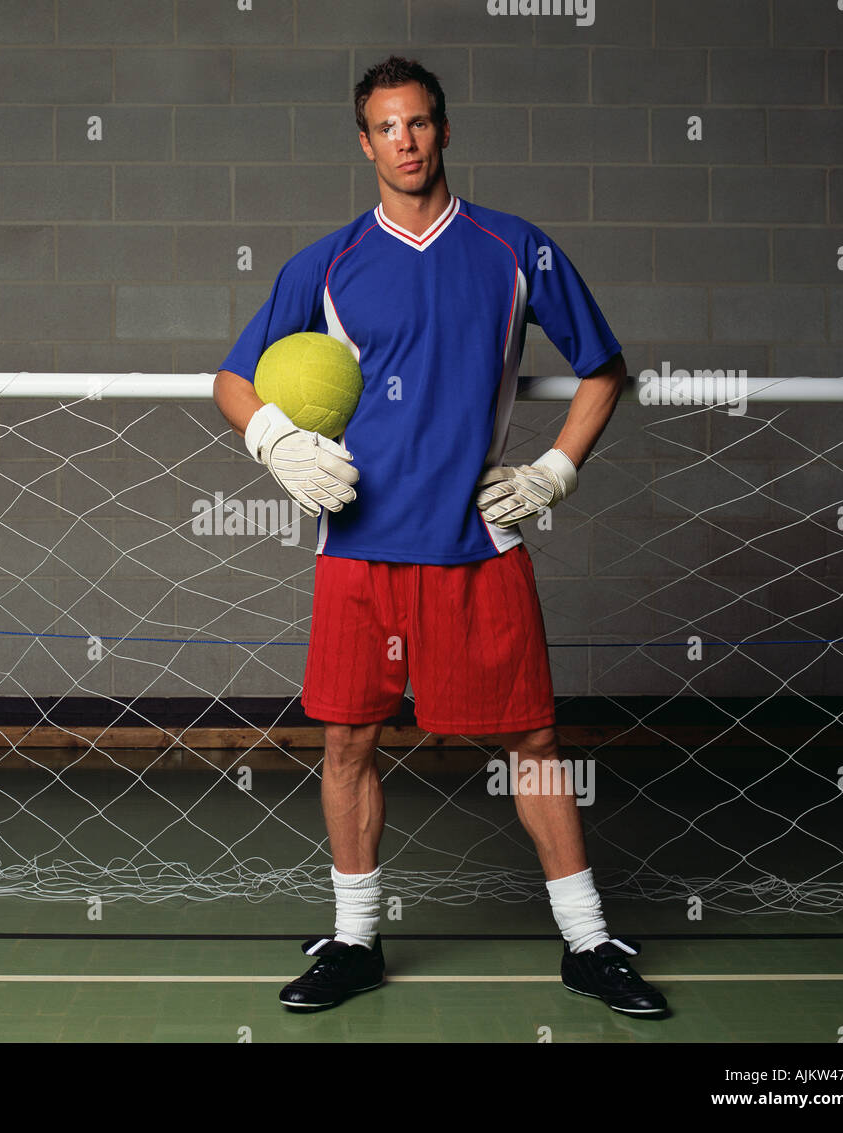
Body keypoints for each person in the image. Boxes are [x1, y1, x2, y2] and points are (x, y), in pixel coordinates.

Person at [213, 56, 666, 1017]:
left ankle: (588, 943)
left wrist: (554, 471)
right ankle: (354, 940)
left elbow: (604, 369)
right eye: (386, 127)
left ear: (445, 132)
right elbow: (230, 379)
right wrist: (275, 439)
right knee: (347, 742)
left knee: (535, 740)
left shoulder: (514, 248)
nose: (405, 141)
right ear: (365, 141)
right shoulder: (327, 263)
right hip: (360, 549)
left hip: (476, 545)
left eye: (419, 124)